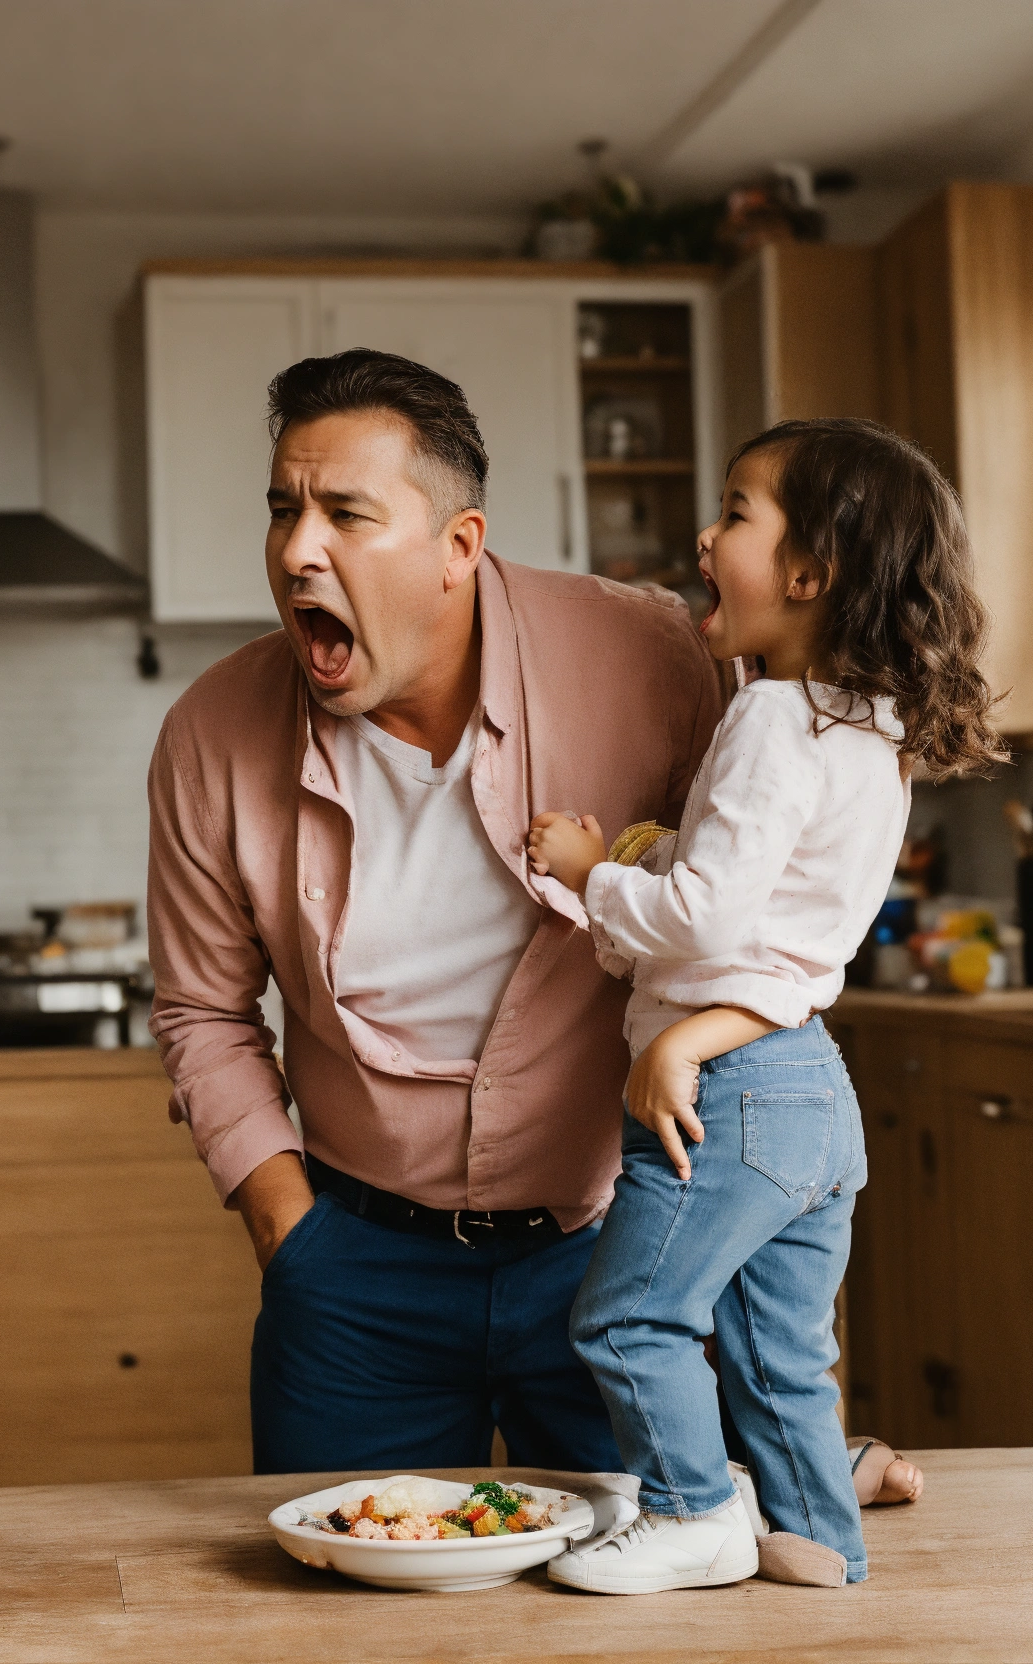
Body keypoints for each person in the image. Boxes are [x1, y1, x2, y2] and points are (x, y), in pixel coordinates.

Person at [146, 349, 723, 1475]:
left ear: (457, 546)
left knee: (661, 1615)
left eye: (343, 514)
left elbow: (742, 925)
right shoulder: (212, 732)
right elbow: (203, 1012)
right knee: (343, 1628)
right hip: (353, 1269)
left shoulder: (649, 658)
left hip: (620, 1245)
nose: (294, 550)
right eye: (281, 510)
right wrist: (288, 1233)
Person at [528, 417, 1001, 1594]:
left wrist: (594, 875)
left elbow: (702, 917)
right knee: (779, 1352)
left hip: (731, 1099)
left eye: (734, 510)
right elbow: (791, 924)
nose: (705, 530)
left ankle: (692, 1510)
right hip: (807, 1090)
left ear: (808, 571)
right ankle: (820, 1545)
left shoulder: (769, 717)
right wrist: (660, 857)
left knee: (628, 1321)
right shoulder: (872, 731)